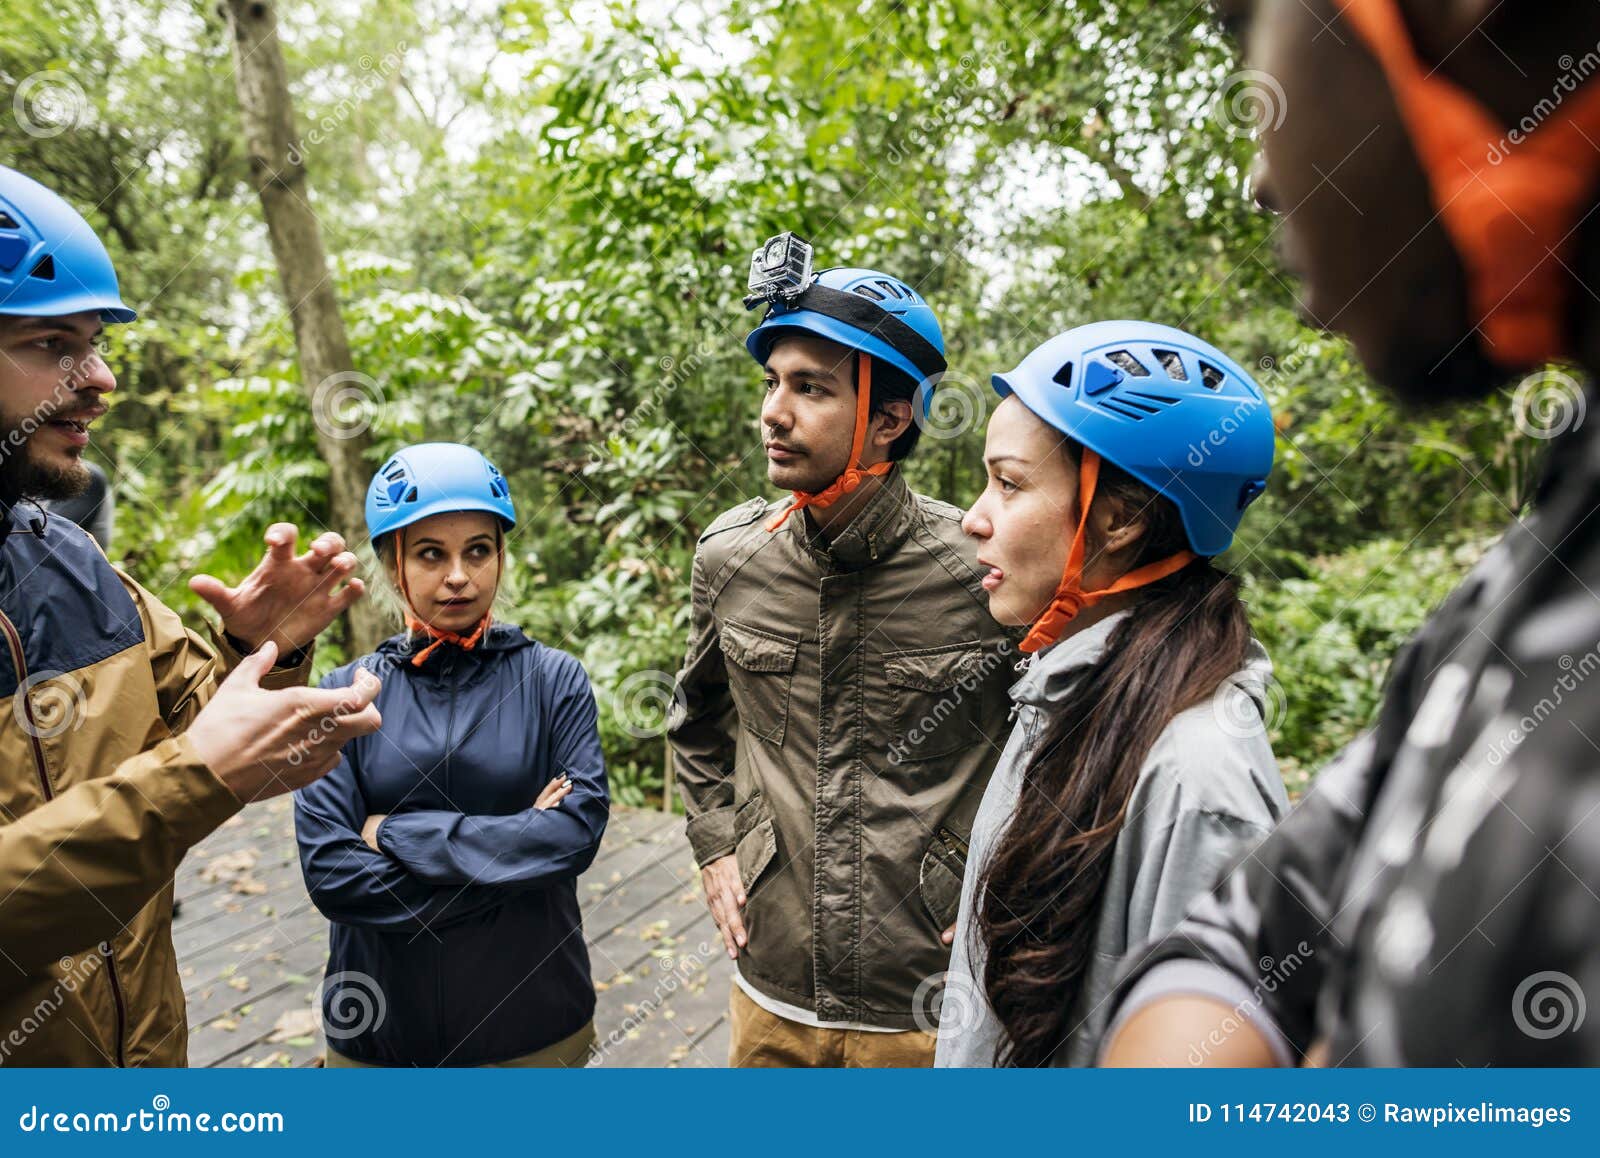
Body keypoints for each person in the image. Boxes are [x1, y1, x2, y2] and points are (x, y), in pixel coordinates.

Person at [1100, 0, 1600, 1066]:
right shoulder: (1529, 574)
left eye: (1247, 31)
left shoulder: (1198, 762)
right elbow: (1259, 925)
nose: (1260, 177)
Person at [0, 163, 380, 1066]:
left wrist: (260, 652)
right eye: (53, 344)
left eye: (96, 344)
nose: (102, 378)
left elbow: (192, 727)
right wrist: (192, 780)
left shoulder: (69, 558)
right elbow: (187, 772)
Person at [669, 239, 1016, 1067]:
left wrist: (1015, 880)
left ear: (890, 419)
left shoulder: (981, 570)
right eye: (772, 382)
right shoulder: (732, 558)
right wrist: (717, 846)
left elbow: (1059, 743)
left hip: (926, 1006)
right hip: (771, 984)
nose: (774, 412)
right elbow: (696, 719)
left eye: (811, 388)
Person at [932, 321, 1285, 1067]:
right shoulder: (1073, 689)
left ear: (1119, 518)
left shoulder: (1200, 783)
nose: (973, 518)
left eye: (1008, 483)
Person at [295, 442, 609, 1068]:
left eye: (478, 551)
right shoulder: (342, 693)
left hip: (535, 1027)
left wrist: (391, 834)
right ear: (394, 566)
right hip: (380, 1037)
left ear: (501, 557)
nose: (459, 575)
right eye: (431, 554)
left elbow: (574, 836)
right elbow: (333, 875)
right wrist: (520, 849)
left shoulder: (554, 681)